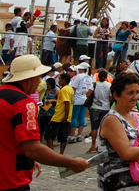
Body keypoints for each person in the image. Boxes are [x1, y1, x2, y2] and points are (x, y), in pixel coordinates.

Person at [0, 55, 90, 190]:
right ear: (29, 78)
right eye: (38, 77)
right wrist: (70, 162)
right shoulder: (24, 103)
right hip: (12, 179)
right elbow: (33, 149)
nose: (39, 82)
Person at [96, 70, 139, 191]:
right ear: (116, 95)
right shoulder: (112, 119)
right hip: (117, 184)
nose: (135, 97)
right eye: (130, 93)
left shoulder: (132, 116)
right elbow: (127, 153)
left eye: (137, 92)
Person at [45, 72, 73, 154]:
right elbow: (63, 101)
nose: (59, 81)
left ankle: (52, 153)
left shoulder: (63, 90)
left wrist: (65, 116)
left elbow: (67, 103)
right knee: (63, 137)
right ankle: (61, 153)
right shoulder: (69, 89)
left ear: (64, 80)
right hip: (66, 117)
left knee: (49, 135)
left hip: (59, 116)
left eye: (60, 79)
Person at [88, 69, 112, 152]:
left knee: (94, 127)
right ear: (106, 77)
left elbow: (88, 94)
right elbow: (111, 98)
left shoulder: (94, 85)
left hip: (95, 107)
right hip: (105, 108)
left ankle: (93, 146)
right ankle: (102, 146)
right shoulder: (109, 85)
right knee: (103, 128)